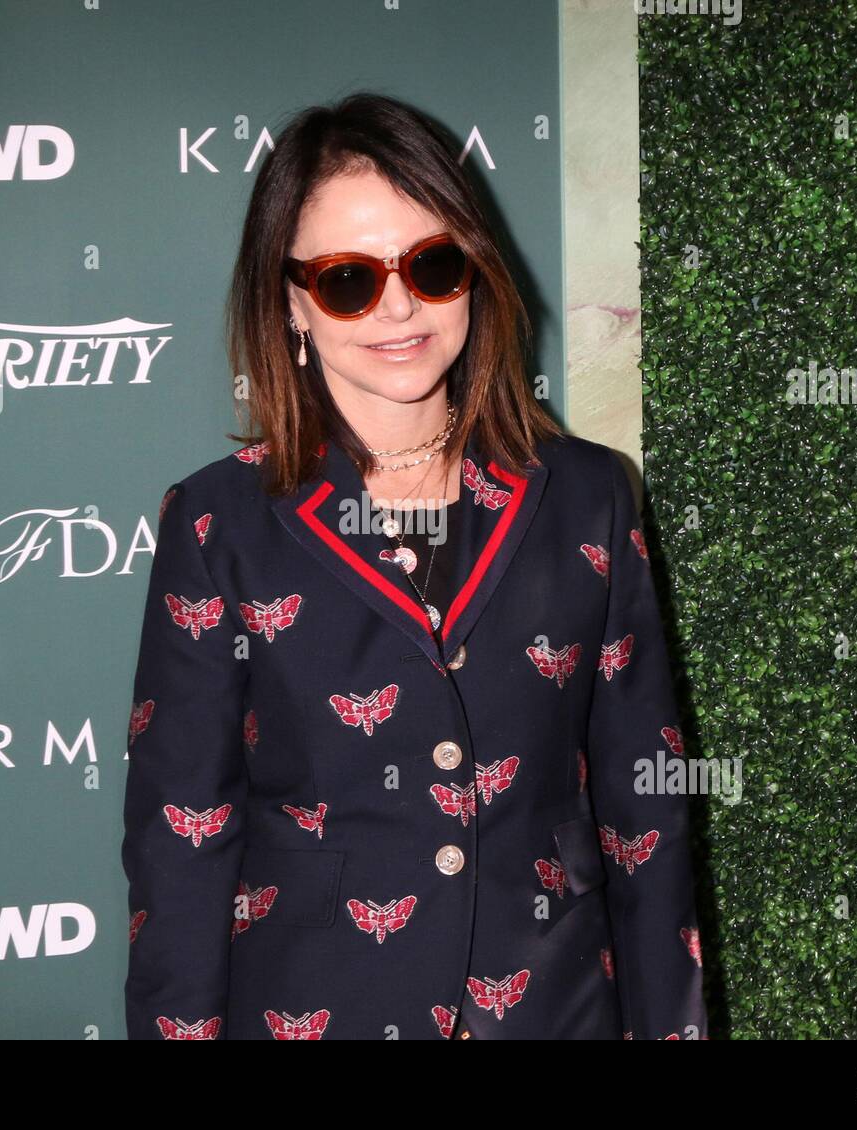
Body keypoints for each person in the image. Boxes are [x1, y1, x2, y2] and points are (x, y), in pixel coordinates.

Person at [121, 92, 708, 1040]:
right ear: (292, 303)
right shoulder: (216, 526)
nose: (398, 305)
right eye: (350, 279)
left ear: (474, 273)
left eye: (433, 264)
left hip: (553, 1012)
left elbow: (648, 817)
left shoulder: (589, 496)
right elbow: (180, 847)